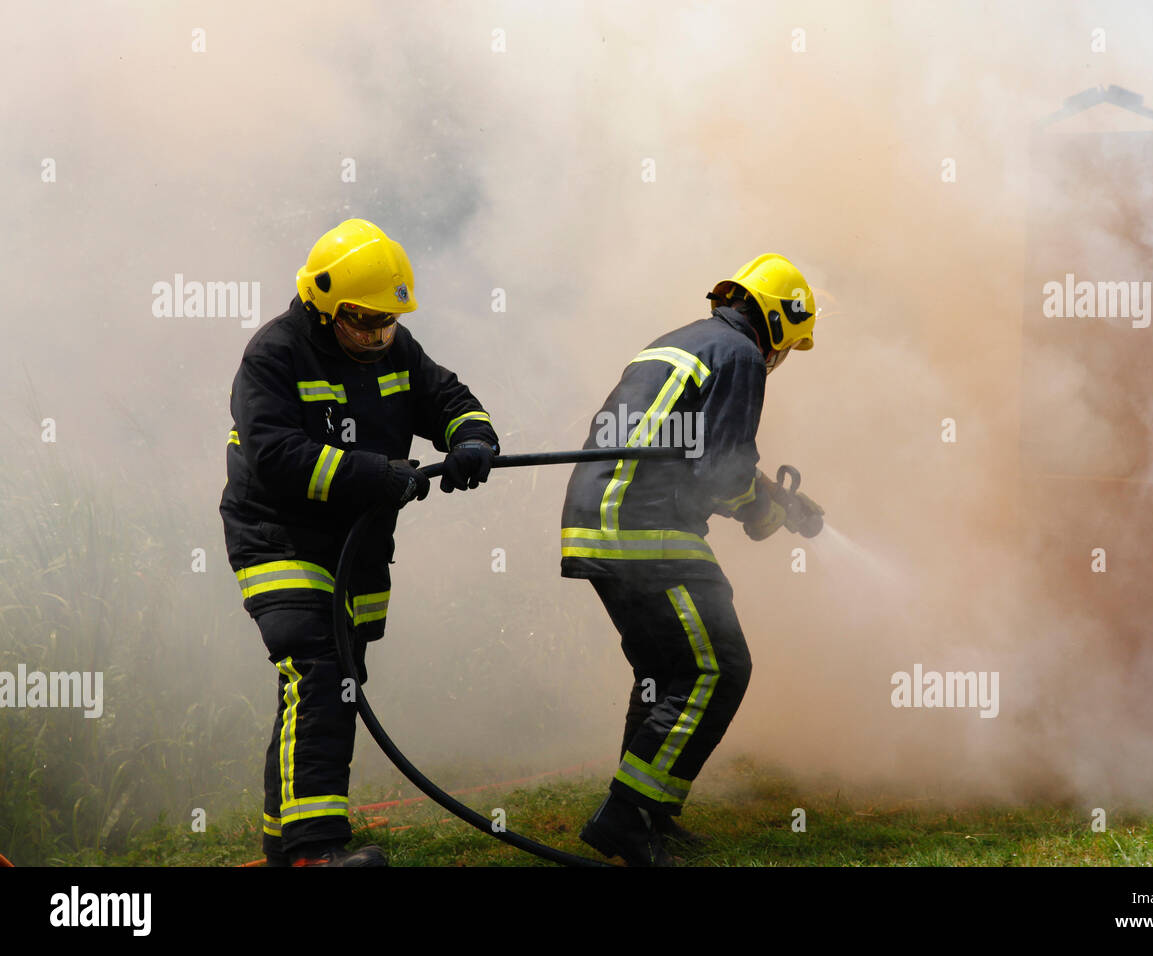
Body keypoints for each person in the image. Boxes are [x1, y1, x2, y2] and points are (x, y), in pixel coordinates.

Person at [220, 219, 499, 867]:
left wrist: (472, 441)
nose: (378, 336)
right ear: (323, 305)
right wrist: (378, 474)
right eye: (363, 321)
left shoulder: (394, 349)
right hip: (279, 538)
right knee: (318, 671)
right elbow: (275, 455)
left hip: (360, 543)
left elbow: (448, 396)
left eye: (388, 322)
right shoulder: (275, 355)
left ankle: (282, 843)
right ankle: (316, 851)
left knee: (334, 681)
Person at [559, 253, 817, 866]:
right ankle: (625, 817)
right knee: (719, 667)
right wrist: (760, 509)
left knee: (666, 667)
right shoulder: (743, 356)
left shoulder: (685, 343)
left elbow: (701, 456)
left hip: (597, 519)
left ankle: (646, 813)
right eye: (787, 346)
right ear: (777, 323)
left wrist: (771, 500)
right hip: (643, 527)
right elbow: (721, 473)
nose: (779, 361)